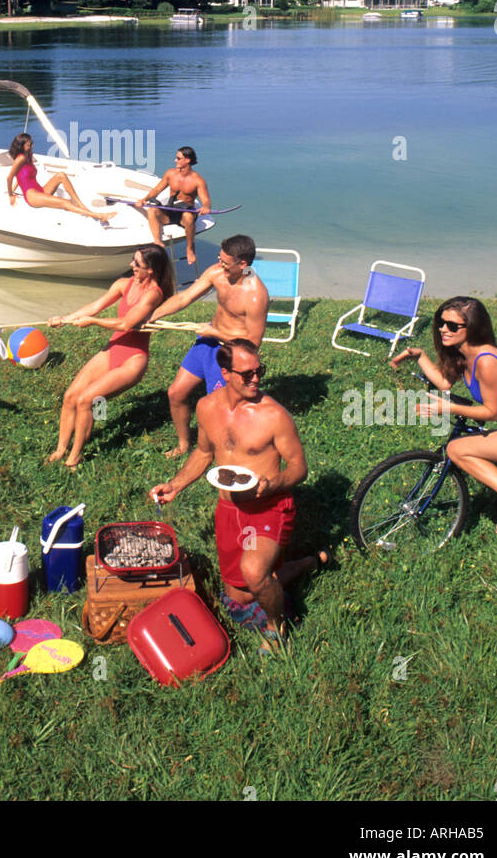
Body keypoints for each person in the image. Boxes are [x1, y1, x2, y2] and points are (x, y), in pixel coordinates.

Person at [150, 339, 312, 651]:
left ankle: (277, 627)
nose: (256, 379)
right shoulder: (206, 407)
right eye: (247, 374)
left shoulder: (273, 415)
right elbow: (202, 453)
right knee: (241, 595)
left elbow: (299, 467)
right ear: (225, 372)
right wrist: (175, 485)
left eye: (259, 371)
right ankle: (307, 563)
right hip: (229, 509)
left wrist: (273, 484)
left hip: (269, 505)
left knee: (254, 572)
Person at [391, 296, 497, 573]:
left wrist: (448, 407)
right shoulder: (464, 356)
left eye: (453, 326)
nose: (444, 329)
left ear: (473, 328)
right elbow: (444, 382)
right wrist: (420, 356)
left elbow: (491, 412)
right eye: (441, 323)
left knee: (457, 449)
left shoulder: (486, 359)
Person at [46, 244, 173, 468]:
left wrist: (93, 322)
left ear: (150, 270)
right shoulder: (124, 284)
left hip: (132, 360)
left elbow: (126, 324)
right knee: (71, 396)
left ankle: (75, 457)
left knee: (88, 400)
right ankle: (60, 449)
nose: (131, 265)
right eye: (133, 261)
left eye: (137, 263)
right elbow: (96, 306)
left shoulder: (153, 294)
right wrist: (64, 319)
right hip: (113, 348)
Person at [149, 233, 269, 457]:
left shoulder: (256, 295)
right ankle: (184, 445)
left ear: (243, 264)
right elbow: (185, 298)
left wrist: (216, 332)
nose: (220, 265)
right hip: (206, 343)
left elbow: (252, 345)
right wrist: (152, 315)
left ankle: (221, 453)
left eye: (225, 262)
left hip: (231, 354)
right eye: (219, 258)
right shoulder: (217, 272)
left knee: (219, 409)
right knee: (176, 393)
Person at [6, 134, 108, 223]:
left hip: (40, 190)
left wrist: (16, 187)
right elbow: (9, 178)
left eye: (32, 143)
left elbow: (19, 175)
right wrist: (11, 195)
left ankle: (80, 204)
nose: (32, 146)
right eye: (29, 145)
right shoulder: (21, 158)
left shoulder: (28, 156)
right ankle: (98, 216)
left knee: (61, 175)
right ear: (21, 146)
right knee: (65, 202)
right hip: (32, 196)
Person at [134, 146, 210, 265]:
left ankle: (189, 248)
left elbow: (205, 200)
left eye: (178, 158)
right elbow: (157, 190)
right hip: (171, 211)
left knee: (188, 217)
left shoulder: (198, 180)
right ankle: (158, 242)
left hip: (185, 214)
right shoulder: (170, 174)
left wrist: (205, 207)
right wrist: (144, 199)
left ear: (187, 160)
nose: (175, 160)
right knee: (152, 210)